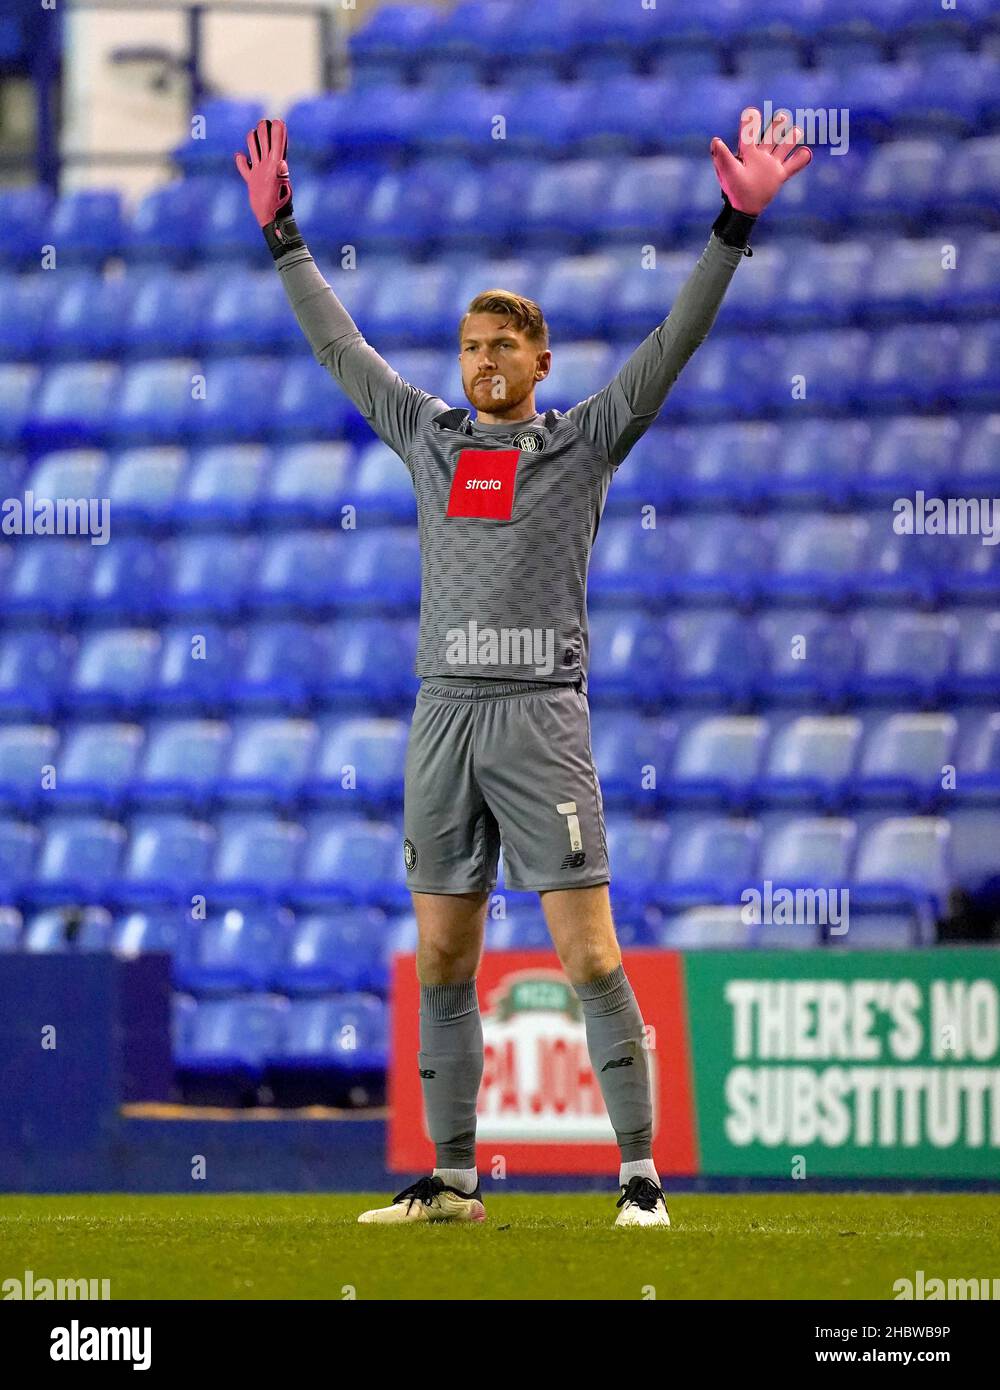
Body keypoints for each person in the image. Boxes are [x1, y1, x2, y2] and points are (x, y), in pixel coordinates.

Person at [236, 108, 811, 1227]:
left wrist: (733, 221)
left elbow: (673, 345)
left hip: (540, 718)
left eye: (503, 346)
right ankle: (453, 1181)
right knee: (444, 952)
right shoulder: (429, 437)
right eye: (469, 344)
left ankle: (639, 1179)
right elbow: (337, 348)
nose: (482, 360)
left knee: (587, 951)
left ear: (540, 362)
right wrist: (284, 237)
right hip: (442, 715)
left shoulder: (583, 441)